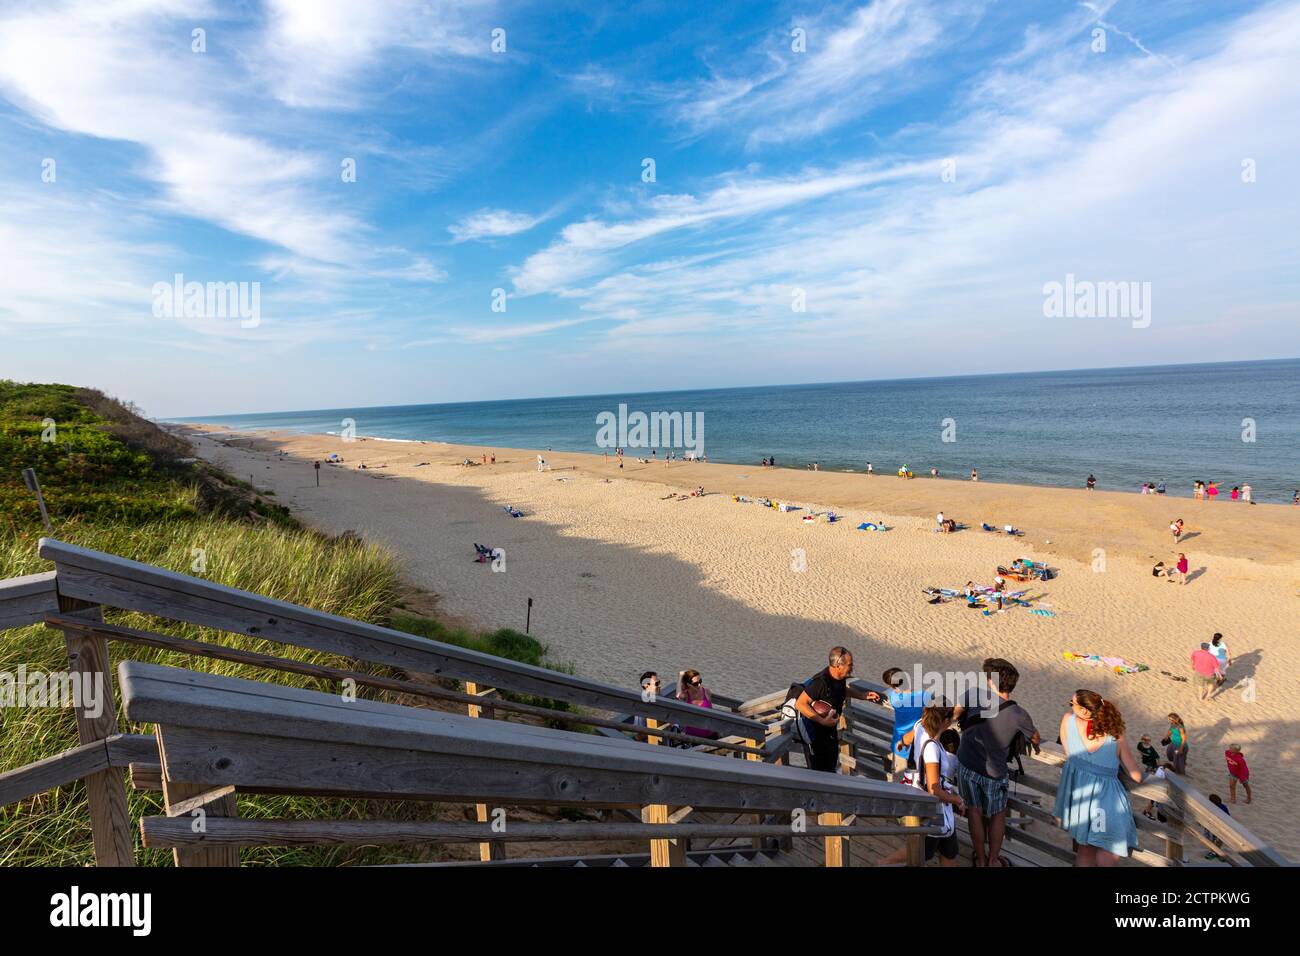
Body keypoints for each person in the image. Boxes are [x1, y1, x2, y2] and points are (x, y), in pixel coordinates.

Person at [953, 658, 1040, 867]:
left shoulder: (974, 693)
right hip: (994, 772)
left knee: (974, 810)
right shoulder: (1019, 714)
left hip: (967, 763)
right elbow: (1035, 738)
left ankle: (980, 859)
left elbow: (955, 714)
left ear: (991, 681)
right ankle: (993, 861)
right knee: (997, 815)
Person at [1054, 690, 1142, 866]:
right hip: (1107, 803)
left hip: (1080, 800)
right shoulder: (1115, 736)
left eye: (1072, 704)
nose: (1070, 707)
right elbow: (1136, 776)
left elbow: (1068, 753)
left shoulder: (1067, 721)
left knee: (1085, 850)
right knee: (1108, 850)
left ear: (1085, 711)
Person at [875, 707, 964, 867]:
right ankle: (884, 863)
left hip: (942, 810)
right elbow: (933, 788)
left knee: (949, 852)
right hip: (934, 809)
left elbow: (906, 739)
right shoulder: (932, 748)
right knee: (922, 850)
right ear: (945, 721)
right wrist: (956, 799)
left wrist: (901, 744)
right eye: (950, 717)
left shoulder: (921, 725)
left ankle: (885, 862)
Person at [793, 647, 881, 773]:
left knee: (831, 766)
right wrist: (822, 721)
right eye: (850, 665)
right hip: (816, 735)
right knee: (820, 772)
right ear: (838, 666)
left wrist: (862, 696)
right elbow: (800, 704)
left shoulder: (839, 678)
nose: (852, 668)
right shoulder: (820, 682)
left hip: (830, 732)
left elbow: (842, 690)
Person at [880, 667, 929, 775]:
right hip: (917, 744)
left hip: (899, 744)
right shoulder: (921, 695)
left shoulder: (894, 698)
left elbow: (893, 692)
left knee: (898, 781)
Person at [676, 669, 718, 740]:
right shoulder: (686, 695)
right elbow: (678, 695)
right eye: (695, 684)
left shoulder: (706, 692)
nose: (699, 685)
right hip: (692, 737)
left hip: (711, 736)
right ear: (688, 684)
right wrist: (680, 676)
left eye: (700, 681)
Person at [633, 672, 661, 742]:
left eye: (658, 682)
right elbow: (640, 734)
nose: (659, 686)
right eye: (656, 684)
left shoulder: (654, 699)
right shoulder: (644, 706)